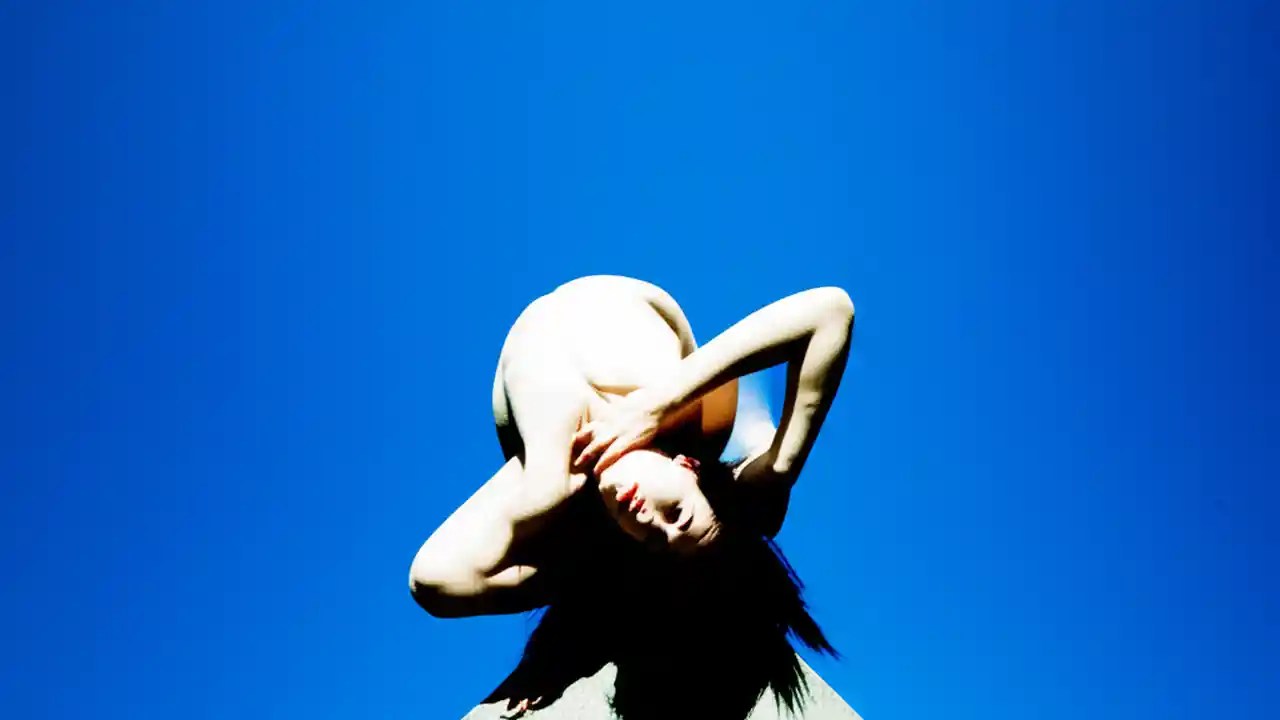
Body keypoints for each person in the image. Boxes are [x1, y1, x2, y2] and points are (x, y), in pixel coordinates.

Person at [409, 275, 853, 619]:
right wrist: (781, 467)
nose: (650, 521)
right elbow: (829, 310)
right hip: (661, 388)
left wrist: (545, 493)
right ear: (688, 468)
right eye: (677, 513)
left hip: (553, 428)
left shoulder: (556, 488)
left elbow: (433, 580)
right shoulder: (692, 420)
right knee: (753, 497)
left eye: (655, 542)